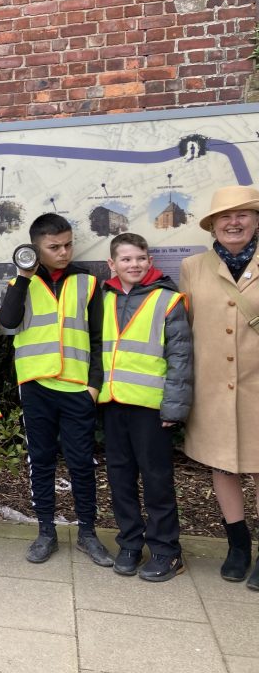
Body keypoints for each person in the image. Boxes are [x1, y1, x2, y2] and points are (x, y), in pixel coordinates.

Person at [0, 213, 113, 566]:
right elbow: (7, 321)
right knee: (41, 460)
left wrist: (94, 386)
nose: (63, 252)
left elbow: (99, 338)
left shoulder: (88, 283)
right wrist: (23, 277)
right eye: (54, 247)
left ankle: (88, 534)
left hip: (77, 387)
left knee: (81, 462)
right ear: (36, 248)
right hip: (36, 386)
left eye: (68, 245)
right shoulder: (21, 282)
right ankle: (46, 532)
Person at [179, 186, 259, 589]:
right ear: (212, 225)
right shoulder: (193, 267)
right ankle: (238, 544)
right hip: (213, 389)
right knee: (223, 465)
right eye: (225, 217)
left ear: (256, 220)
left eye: (243, 214)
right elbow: (185, 329)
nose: (234, 222)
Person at [100, 233, 192, 582]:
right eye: (126, 259)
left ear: (150, 260)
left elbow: (180, 357)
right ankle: (130, 544)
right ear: (112, 264)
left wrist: (174, 408)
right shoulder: (104, 298)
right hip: (113, 403)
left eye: (140, 258)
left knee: (157, 480)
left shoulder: (168, 299)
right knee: (120, 478)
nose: (134, 264)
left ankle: (167, 550)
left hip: (151, 408)